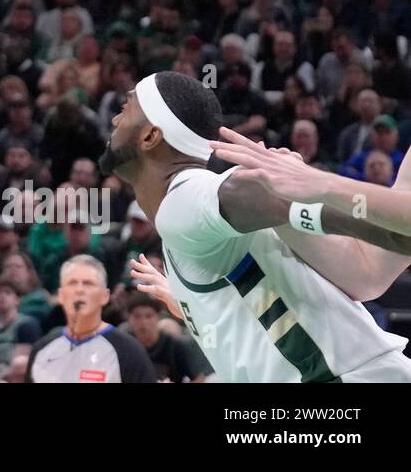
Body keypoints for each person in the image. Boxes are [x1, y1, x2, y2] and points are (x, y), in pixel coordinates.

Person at [105, 71, 411, 381]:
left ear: (149, 137)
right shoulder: (189, 221)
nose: (116, 120)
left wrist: (314, 185)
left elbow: (254, 192)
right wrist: (193, 305)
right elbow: (366, 273)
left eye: (127, 107)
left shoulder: (185, 200)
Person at [26, 255, 155, 383]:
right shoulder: (41, 350)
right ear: (61, 296)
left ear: (104, 296)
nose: (79, 290)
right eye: (72, 283)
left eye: (88, 283)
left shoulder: (129, 352)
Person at [124, 293, 211, 382]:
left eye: (148, 316)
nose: (143, 322)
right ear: (129, 318)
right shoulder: (126, 346)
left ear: (157, 317)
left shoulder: (175, 347)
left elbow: (199, 377)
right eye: (137, 316)